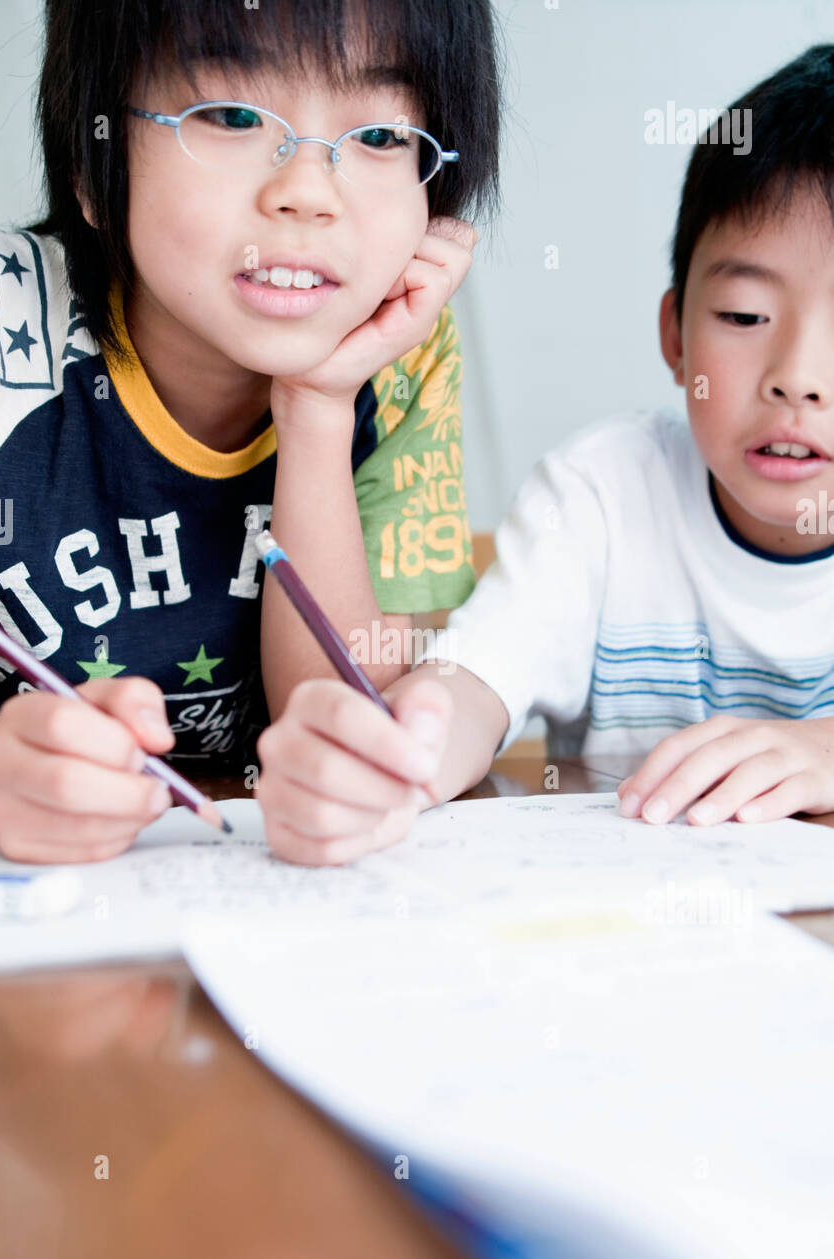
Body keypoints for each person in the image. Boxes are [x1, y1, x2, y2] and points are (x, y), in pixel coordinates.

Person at [257, 45, 834, 864]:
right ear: (673, 334)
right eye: (744, 316)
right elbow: (470, 688)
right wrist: (403, 755)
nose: (797, 380)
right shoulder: (600, 496)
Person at [0, 0, 502, 863]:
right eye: (232, 116)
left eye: (377, 136)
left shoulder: (400, 356)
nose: (305, 193)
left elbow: (343, 733)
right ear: (88, 161)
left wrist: (319, 407)